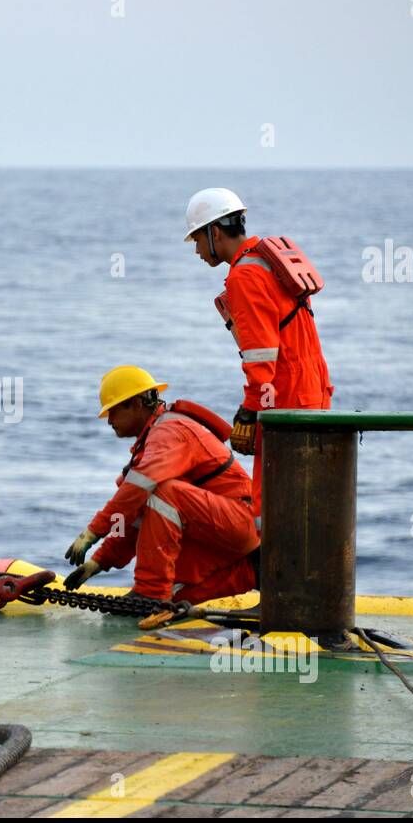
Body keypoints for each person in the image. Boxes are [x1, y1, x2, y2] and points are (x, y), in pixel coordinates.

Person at [183, 188, 333, 515]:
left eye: (196, 239)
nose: (196, 250)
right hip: (313, 394)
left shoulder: (245, 275)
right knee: (304, 498)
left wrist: (250, 412)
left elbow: (261, 356)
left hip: (287, 404)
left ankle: (273, 565)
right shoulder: (265, 262)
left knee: (272, 504)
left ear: (215, 233)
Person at [63, 366, 259, 604]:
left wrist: (92, 533)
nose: (109, 421)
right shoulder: (154, 439)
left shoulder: (170, 431)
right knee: (177, 599)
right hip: (220, 530)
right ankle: (254, 572)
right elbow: (133, 512)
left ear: (135, 404)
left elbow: (137, 491)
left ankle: (150, 592)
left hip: (237, 522)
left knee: (160, 492)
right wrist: (99, 561)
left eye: (112, 412)